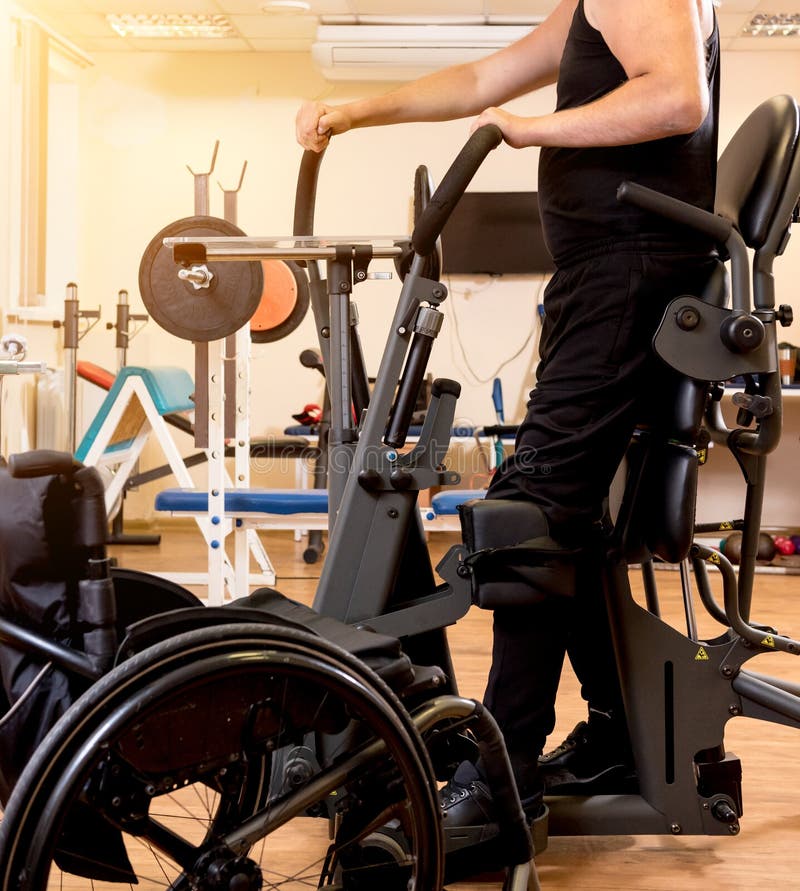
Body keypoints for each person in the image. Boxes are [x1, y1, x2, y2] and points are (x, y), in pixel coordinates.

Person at [297, 0, 720, 877]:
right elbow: (483, 79)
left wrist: (531, 129)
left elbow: (678, 97)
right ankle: (614, 736)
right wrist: (351, 112)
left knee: (528, 515)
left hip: (625, 270)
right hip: (607, 273)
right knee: (570, 522)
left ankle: (500, 785)